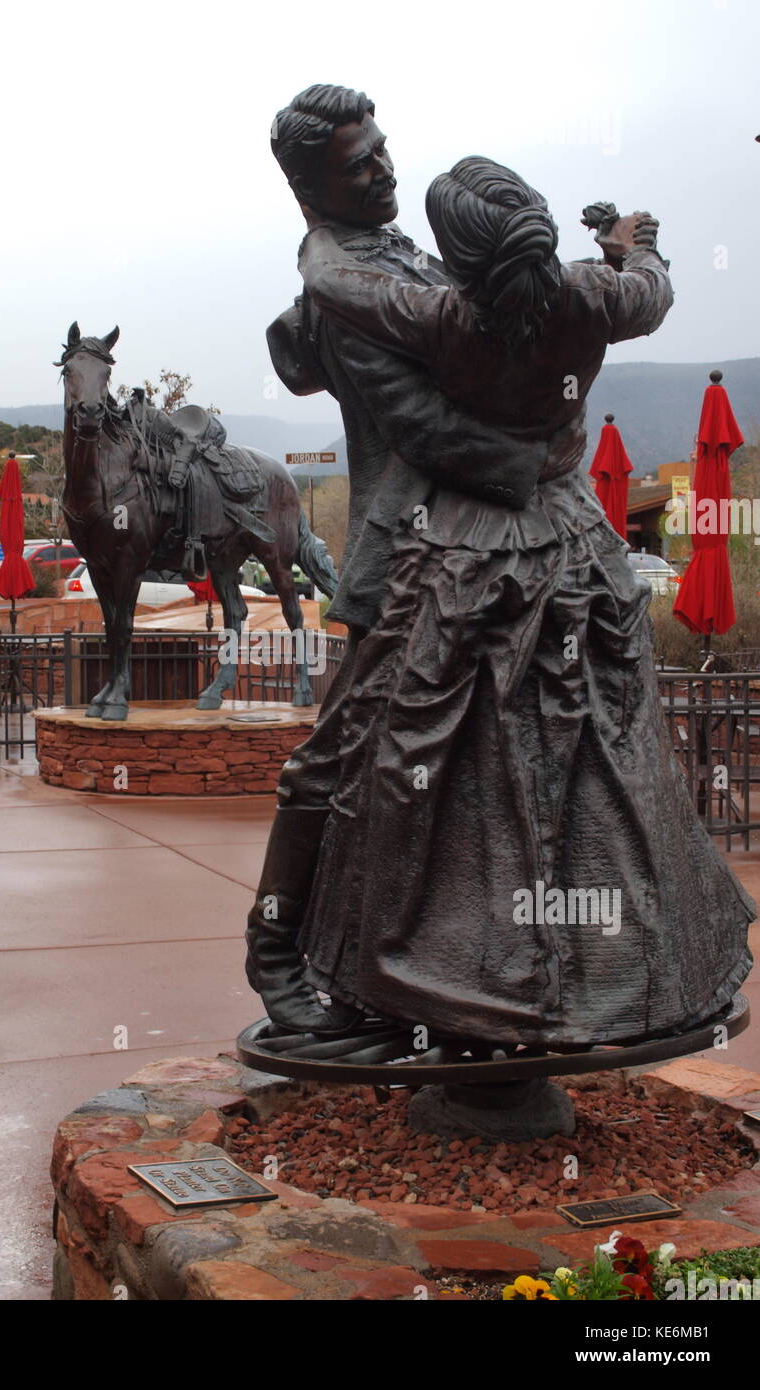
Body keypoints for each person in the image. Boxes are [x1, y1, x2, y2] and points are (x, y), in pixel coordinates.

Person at [287, 157, 753, 1044]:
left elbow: (335, 280)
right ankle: (611, 973)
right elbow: (650, 290)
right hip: (577, 537)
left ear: (457, 258)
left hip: (469, 545)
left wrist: (315, 235)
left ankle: (422, 965)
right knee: (599, 754)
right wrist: (632, 244)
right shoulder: (588, 299)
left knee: (422, 746)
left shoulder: (438, 316)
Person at [247, 87, 573, 1033]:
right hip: (407, 555)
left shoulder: (401, 253)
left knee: (460, 764)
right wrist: (537, 463)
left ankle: (415, 969)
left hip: (480, 546)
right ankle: (275, 951)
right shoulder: (341, 287)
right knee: (339, 757)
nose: (383, 170)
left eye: (382, 150)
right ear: (311, 190)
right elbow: (418, 424)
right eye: (358, 163)